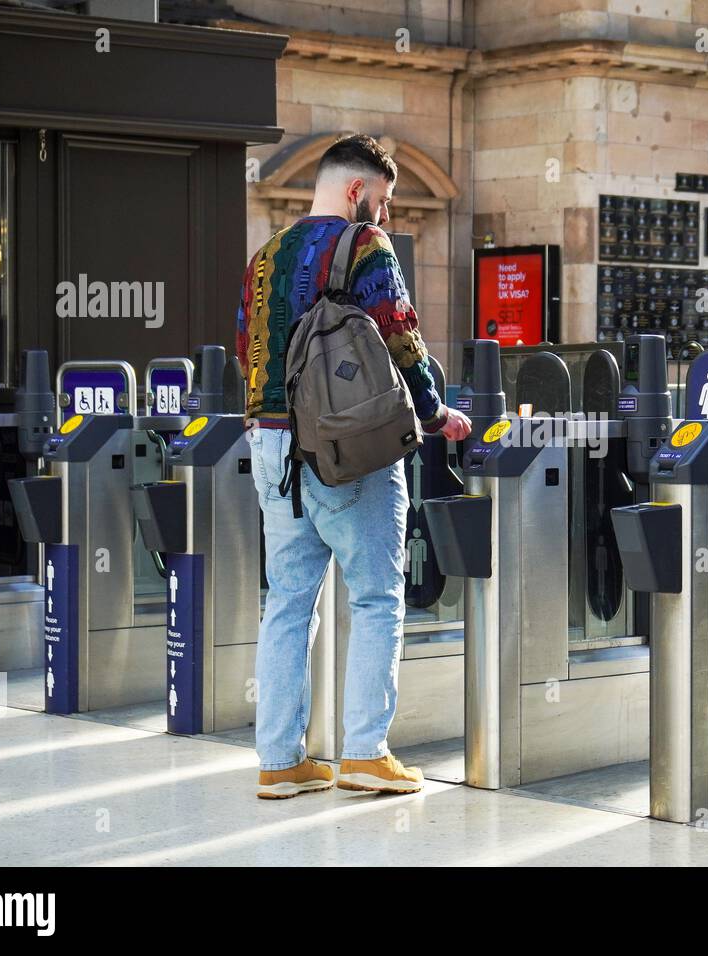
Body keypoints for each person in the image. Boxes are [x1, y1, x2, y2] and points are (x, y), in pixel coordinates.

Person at [237, 134, 472, 799]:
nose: (388, 215)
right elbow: (400, 335)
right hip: (347, 449)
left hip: (271, 445)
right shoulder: (364, 246)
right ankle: (365, 753)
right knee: (374, 595)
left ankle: (281, 761)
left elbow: (243, 347)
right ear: (354, 192)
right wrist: (435, 415)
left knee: (287, 602)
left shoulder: (264, 257)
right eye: (385, 200)